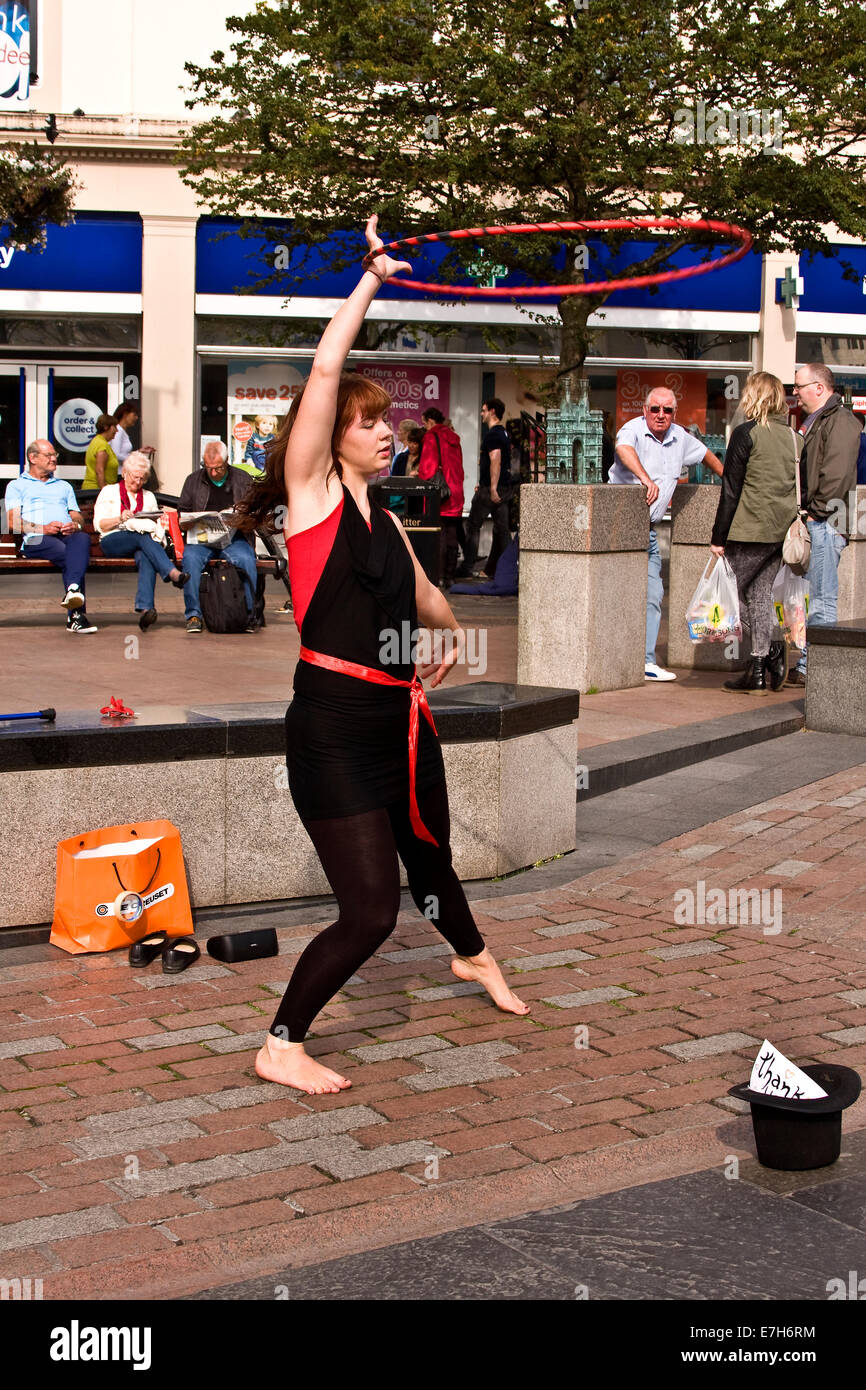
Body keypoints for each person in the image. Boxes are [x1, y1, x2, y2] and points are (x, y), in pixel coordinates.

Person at [234, 214, 528, 1097]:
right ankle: (281, 1042)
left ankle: (472, 956)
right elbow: (326, 368)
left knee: (430, 855)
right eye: (368, 424)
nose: (384, 432)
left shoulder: (392, 521)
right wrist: (371, 280)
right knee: (368, 911)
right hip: (331, 730)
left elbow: (431, 602)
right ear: (331, 439)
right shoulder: (314, 502)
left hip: (399, 720)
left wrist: (442, 640)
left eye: (386, 423)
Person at [609, 387, 723, 681]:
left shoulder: (680, 437)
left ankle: (645, 661)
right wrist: (645, 478)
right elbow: (623, 450)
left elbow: (706, 454)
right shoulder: (632, 430)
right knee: (617, 592)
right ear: (645, 410)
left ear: (675, 413)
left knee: (654, 594)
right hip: (618, 526)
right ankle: (614, 656)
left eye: (667, 410)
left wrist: (731, 480)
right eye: (655, 409)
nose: (661, 415)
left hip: (647, 530)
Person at [709, 373, 799, 695]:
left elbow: (731, 490)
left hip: (749, 530)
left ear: (753, 397)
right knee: (760, 595)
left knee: (730, 595)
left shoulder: (746, 433)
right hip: (782, 532)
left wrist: (718, 536)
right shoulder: (793, 437)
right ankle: (760, 668)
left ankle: (771, 651)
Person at [788, 364, 862, 687]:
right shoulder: (822, 420)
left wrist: (815, 513)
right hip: (824, 519)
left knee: (822, 599)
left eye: (799, 386)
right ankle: (811, 664)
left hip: (828, 520)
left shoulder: (842, 420)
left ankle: (814, 669)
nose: (795, 393)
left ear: (819, 387)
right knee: (817, 597)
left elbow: (837, 473)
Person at [6, 439, 97, 632]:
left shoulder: (64, 486)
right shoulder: (17, 486)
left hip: (66, 534)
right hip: (36, 538)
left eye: (55, 455)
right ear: (33, 458)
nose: (54, 458)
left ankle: (72, 590)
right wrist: (43, 528)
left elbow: (77, 515)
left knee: (81, 538)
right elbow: (13, 523)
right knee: (70, 554)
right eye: (49, 455)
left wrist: (75, 524)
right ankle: (76, 615)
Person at [93, 452, 189, 631]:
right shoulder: (109, 491)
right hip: (112, 540)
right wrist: (120, 519)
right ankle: (172, 573)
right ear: (125, 473)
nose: (138, 482)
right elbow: (100, 525)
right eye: (135, 477)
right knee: (141, 537)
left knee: (146, 555)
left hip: (141, 543)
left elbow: (153, 524)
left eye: (142, 479)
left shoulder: (148, 497)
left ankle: (146, 610)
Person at [175, 441, 258, 635]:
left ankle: (248, 614)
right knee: (191, 559)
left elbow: (254, 511)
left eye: (218, 468)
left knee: (246, 560)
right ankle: (194, 615)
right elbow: (183, 511)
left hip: (234, 537)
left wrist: (240, 519)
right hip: (202, 538)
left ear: (227, 462)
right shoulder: (193, 480)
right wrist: (186, 522)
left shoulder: (242, 479)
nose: (213, 473)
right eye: (208, 468)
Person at [459, 398, 513, 579]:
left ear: (492, 411)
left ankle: (467, 566)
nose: (481, 414)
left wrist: (491, 487)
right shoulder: (503, 433)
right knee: (502, 529)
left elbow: (495, 460)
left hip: (491, 489)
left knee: (473, 526)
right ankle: (509, 569)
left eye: (483, 410)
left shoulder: (493, 435)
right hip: (501, 487)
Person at [417, 405, 466, 588]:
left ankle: (436, 576)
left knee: (439, 534)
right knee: (452, 533)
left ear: (430, 421)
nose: (425, 428)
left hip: (441, 492)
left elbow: (427, 468)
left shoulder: (431, 436)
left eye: (425, 424)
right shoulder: (454, 437)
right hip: (455, 490)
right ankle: (450, 577)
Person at [82, 415, 120, 492]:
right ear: (106, 427)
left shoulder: (97, 441)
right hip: (95, 491)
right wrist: (104, 492)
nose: (117, 430)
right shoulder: (101, 445)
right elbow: (99, 470)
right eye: (115, 427)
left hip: (93, 490)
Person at [112, 400, 154, 467]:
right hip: (119, 473)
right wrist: (135, 459)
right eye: (134, 415)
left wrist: (139, 452)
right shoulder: (118, 431)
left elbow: (123, 453)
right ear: (125, 414)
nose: (136, 418)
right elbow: (116, 454)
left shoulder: (122, 431)